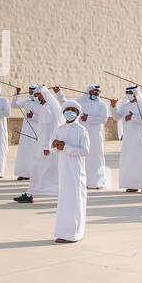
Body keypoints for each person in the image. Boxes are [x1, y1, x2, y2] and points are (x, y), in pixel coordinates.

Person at [50, 99, 90, 243]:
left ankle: (74, 234)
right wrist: (55, 145)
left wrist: (66, 147)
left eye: (73, 110)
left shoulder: (81, 130)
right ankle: (63, 232)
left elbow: (85, 151)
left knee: (75, 200)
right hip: (63, 170)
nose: (70, 112)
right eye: (68, 110)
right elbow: (53, 148)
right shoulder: (60, 129)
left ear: (78, 113)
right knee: (64, 201)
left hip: (76, 171)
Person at [14, 86, 62, 204]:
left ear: (43, 95)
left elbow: (47, 129)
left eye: (37, 95)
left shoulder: (47, 109)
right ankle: (30, 193)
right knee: (42, 171)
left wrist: (46, 147)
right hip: (44, 144)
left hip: (45, 147)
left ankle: (30, 194)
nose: (35, 97)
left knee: (41, 170)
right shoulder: (46, 108)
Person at [115, 85, 142, 193]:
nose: (128, 95)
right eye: (126, 93)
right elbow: (116, 117)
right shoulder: (124, 106)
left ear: (135, 93)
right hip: (128, 139)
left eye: (130, 93)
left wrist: (133, 117)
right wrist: (113, 107)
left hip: (140, 138)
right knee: (130, 161)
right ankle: (132, 185)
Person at [77, 85, 110, 190]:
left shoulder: (102, 105)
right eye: (94, 91)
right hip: (82, 135)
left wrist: (88, 118)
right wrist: (59, 94)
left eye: (98, 92)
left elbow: (103, 120)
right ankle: (84, 182)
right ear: (88, 91)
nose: (96, 93)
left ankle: (97, 182)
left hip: (96, 136)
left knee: (97, 158)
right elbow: (66, 104)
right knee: (83, 158)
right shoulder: (80, 102)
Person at [12, 85, 41, 180]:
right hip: (26, 131)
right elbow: (14, 105)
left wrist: (33, 117)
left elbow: (44, 118)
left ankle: (34, 174)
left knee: (34, 153)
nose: (31, 93)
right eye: (29, 92)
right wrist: (16, 94)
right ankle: (24, 173)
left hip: (36, 132)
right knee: (25, 152)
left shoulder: (42, 104)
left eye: (32, 92)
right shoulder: (26, 101)